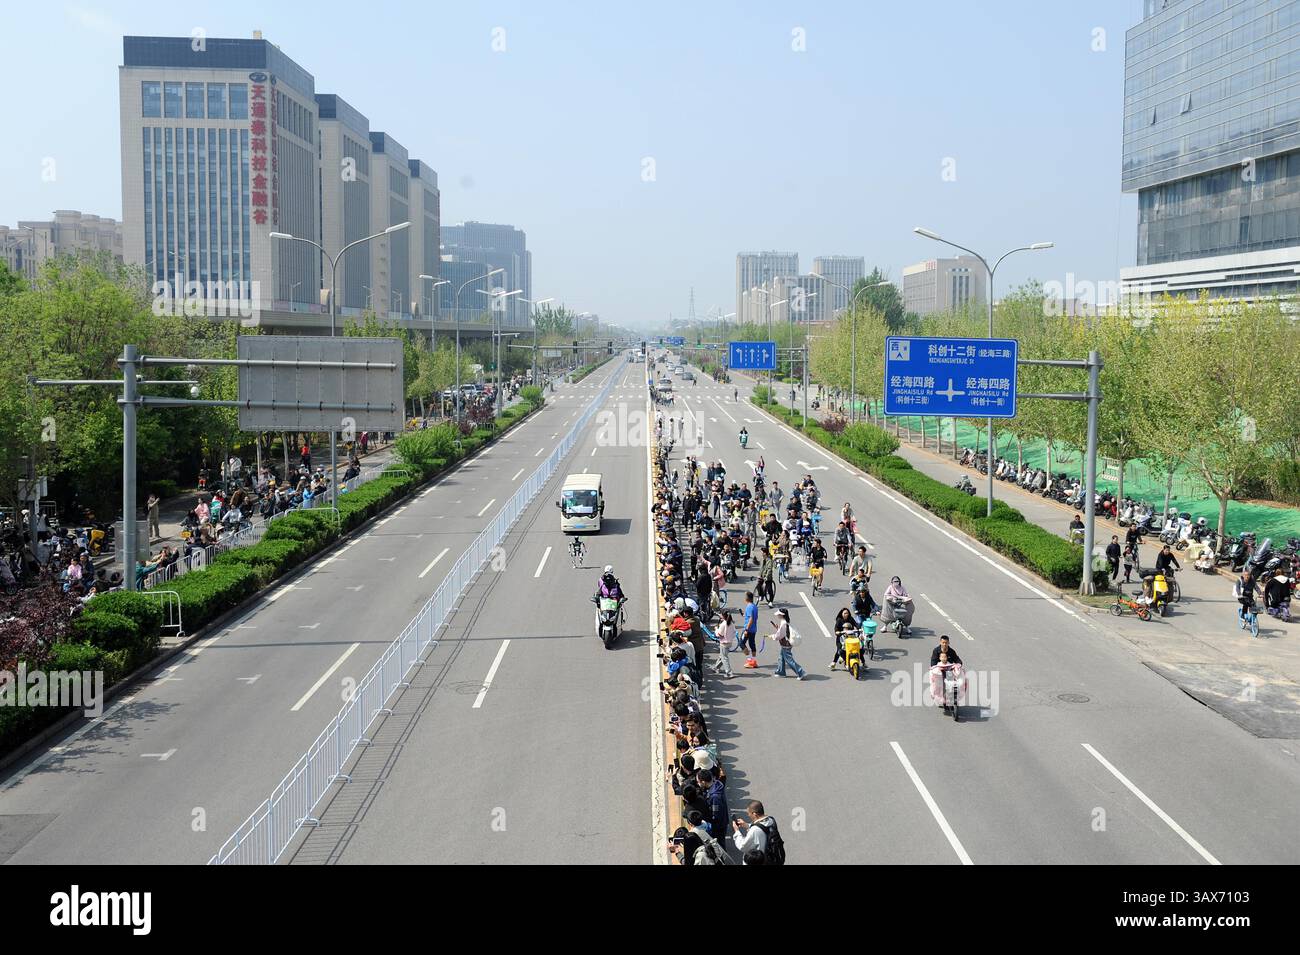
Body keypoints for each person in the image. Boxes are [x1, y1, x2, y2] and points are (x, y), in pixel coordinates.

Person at [771, 608, 806, 680]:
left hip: (785, 644)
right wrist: (777, 629)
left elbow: (780, 635)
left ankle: (800, 672)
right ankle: (781, 672)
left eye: (778, 614)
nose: (777, 615)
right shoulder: (785, 621)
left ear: (782, 615)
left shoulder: (783, 623)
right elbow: (783, 632)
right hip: (786, 643)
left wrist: (773, 636)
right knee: (781, 657)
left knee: (789, 660)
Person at [710, 609, 736, 678]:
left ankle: (729, 673)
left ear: (723, 616)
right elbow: (734, 633)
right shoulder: (731, 623)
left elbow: (719, 634)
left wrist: (716, 629)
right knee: (722, 656)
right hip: (730, 642)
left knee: (724, 658)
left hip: (724, 643)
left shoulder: (723, 624)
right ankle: (715, 667)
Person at [741, 591, 760, 668]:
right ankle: (753, 661)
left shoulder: (749, 607)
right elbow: (754, 617)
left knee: (741, 643)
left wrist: (746, 629)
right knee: (752, 644)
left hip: (748, 629)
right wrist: (744, 615)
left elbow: (751, 619)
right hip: (754, 629)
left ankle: (749, 659)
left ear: (747, 598)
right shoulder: (754, 606)